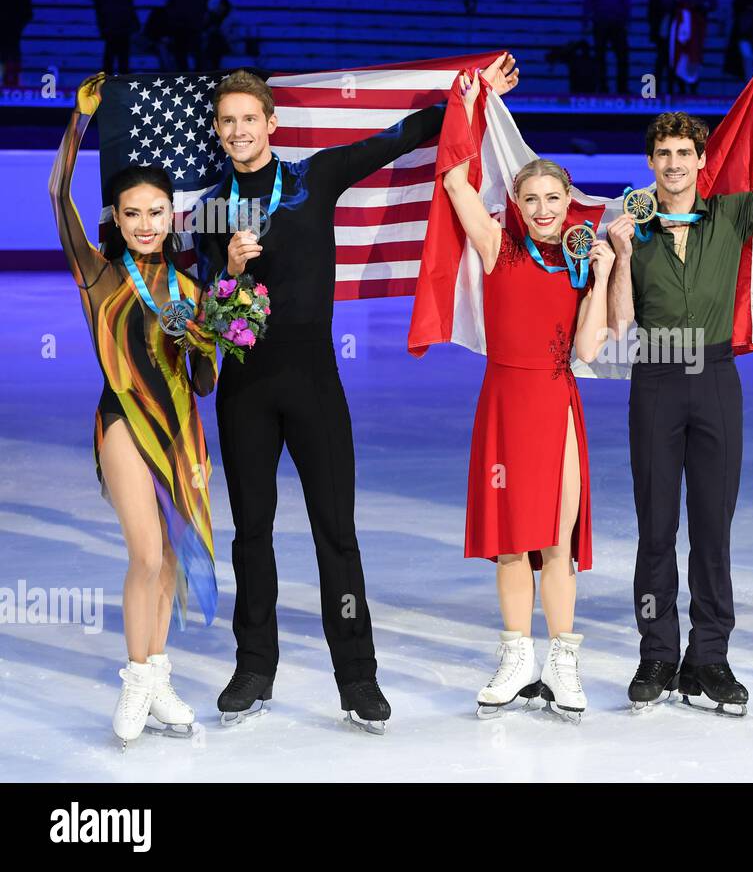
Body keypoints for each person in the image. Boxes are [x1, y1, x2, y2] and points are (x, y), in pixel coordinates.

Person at [191, 56, 520, 733]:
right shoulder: (209, 211)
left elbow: (402, 135)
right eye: (227, 122)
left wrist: (474, 95)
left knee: (335, 532)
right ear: (218, 131)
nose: (238, 130)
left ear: (272, 123)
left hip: (312, 378)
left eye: (249, 118)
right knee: (252, 534)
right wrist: (225, 268)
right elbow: (205, 320)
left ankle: (357, 676)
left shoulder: (315, 178)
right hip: (245, 385)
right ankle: (253, 666)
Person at [606, 62, 753, 715]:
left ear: (703, 160)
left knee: (712, 528)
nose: (674, 163)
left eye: (685, 153)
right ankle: (656, 654)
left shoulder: (731, 212)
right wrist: (619, 255)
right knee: (655, 526)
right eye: (663, 153)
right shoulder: (631, 221)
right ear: (650, 161)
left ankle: (708, 658)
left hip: (714, 376)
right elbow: (620, 324)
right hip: (653, 377)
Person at [438, 70, 616, 722]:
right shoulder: (495, 246)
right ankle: (516, 656)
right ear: (516, 201)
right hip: (504, 404)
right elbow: (456, 179)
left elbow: (590, 351)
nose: (542, 208)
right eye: (531, 197)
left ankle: (562, 663)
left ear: (570, 203)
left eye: (553, 198)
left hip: (555, 400)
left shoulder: (579, 261)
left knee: (555, 542)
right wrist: (470, 99)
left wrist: (599, 279)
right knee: (513, 541)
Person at [51, 74, 219, 747]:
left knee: (172, 559)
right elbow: (57, 193)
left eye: (156, 213)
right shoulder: (99, 274)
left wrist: (195, 337)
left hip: (181, 429)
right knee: (146, 555)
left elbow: (204, 381)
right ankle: (138, 681)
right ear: (115, 219)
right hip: (121, 418)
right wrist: (77, 122)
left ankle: (157, 676)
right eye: (132, 214)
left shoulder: (188, 286)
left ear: (171, 217)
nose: (146, 225)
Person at [666, 0, 717, 94]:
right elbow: (665, 0)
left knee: (694, 55)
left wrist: (699, 6)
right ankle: (680, 89)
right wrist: (675, 5)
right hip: (678, 26)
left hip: (697, 27)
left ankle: (693, 89)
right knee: (679, 55)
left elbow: (713, 3)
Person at [584, 0, 630, 94]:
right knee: (600, 57)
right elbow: (589, 0)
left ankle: (622, 88)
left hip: (618, 24)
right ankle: (602, 88)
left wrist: (625, 19)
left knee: (622, 57)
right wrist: (586, 20)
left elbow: (626, 1)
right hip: (601, 23)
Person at [0, 0, 32, 87]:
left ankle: (12, 80)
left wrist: (25, 14)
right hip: (5, 15)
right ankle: (5, 79)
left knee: (12, 49)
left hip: (14, 17)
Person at [648, 0, 676, 94]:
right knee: (661, 62)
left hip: (673, 31)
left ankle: (670, 90)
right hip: (662, 31)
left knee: (670, 62)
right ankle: (655, 91)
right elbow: (652, 10)